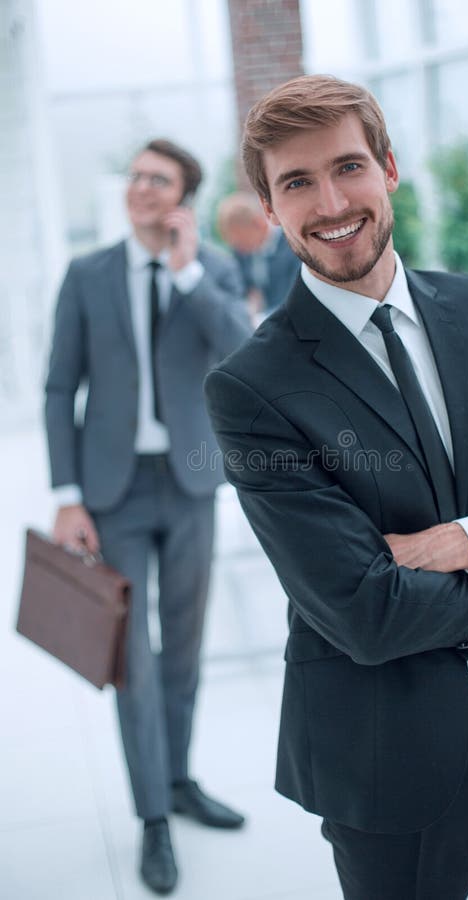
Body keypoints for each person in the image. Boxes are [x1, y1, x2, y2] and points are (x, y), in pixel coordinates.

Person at [204, 76, 468, 899]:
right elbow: (365, 612)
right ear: (271, 210)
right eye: (297, 182)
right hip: (390, 762)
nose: (330, 201)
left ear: (388, 168)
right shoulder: (252, 387)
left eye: (348, 166)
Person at [45, 138, 250, 895]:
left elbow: (241, 350)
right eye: (134, 176)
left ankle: (180, 780)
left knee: (187, 648)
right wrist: (67, 493)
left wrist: (189, 269)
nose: (140, 188)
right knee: (133, 655)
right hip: (113, 491)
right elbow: (57, 387)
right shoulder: (87, 274)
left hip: (193, 482)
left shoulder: (208, 271)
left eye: (157, 180)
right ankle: (152, 819)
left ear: (183, 196)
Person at [217, 191, 299, 320]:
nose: (240, 249)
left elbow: (294, 298)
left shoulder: (293, 248)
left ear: (258, 223)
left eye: (241, 241)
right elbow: (244, 289)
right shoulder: (242, 254)